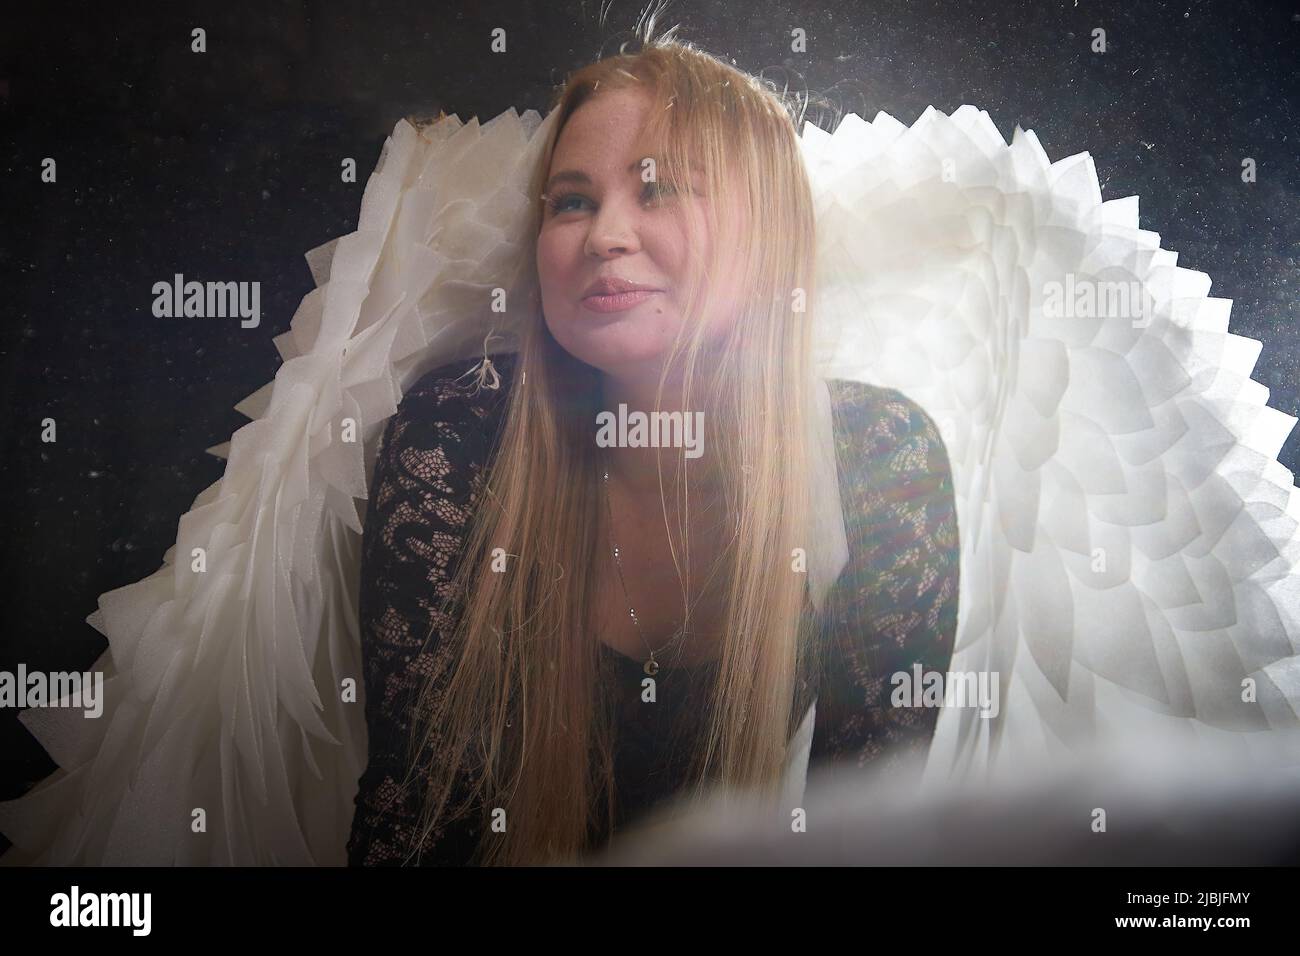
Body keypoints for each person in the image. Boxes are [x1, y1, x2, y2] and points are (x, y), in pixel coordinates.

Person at [344, 38, 961, 867]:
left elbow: (865, 833)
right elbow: (414, 821)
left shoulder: (879, 455)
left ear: (768, 231)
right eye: (570, 202)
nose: (604, 235)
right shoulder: (458, 431)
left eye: (659, 188)